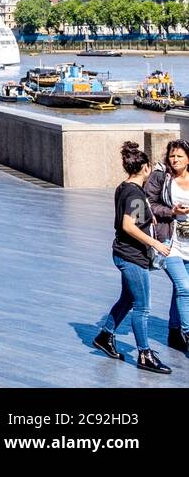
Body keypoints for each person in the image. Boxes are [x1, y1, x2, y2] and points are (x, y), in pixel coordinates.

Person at [93, 142, 173, 373]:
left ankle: (104, 336)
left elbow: (132, 217)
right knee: (142, 308)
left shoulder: (123, 186)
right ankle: (145, 355)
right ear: (146, 168)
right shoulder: (136, 193)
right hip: (132, 257)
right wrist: (156, 243)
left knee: (127, 300)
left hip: (122, 253)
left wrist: (148, 218)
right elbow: (129, 225)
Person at [146, 139, 189, 354]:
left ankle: (174, 333)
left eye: (180, 156)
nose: (175, 159)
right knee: (185, 288)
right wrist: (172, 212)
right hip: (169, 242)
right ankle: (188, 334)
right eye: (172, 155)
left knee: (180, 290)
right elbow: (148, 204)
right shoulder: (161, 177)